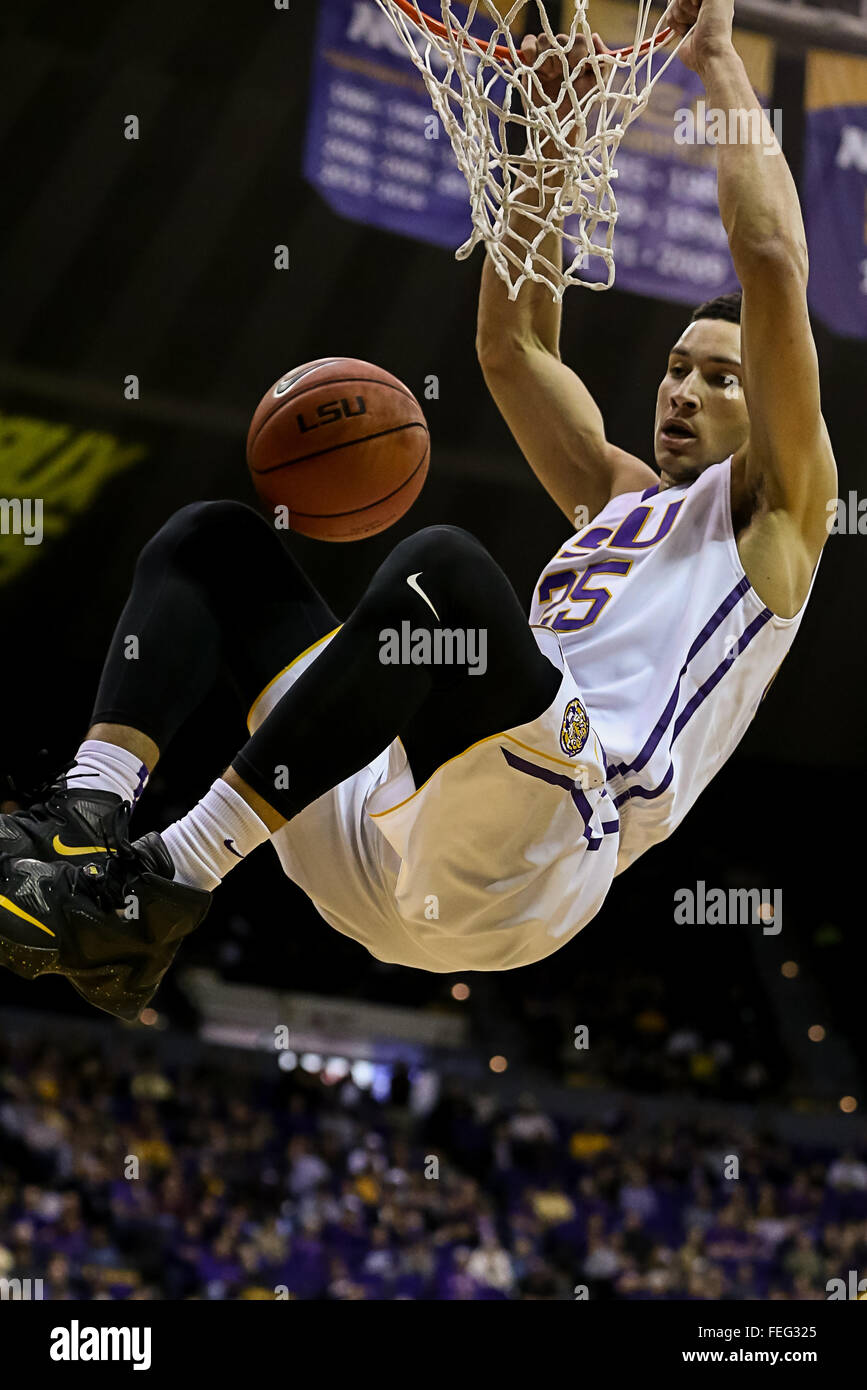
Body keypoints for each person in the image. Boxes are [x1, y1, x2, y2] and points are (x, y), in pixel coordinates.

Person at [0, 0, 836, 1021]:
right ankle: (88, 825)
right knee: (213, 544)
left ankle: (165, 879)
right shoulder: (616, 497)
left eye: (721, 378)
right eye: (673, 368)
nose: (681, 390)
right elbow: (515, 349)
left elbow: (775, 267)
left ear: (776, 408)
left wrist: (714, 61)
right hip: (380, 819)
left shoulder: (777, 520)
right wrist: (546, 139)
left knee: (446, 571)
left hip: (542, 846)